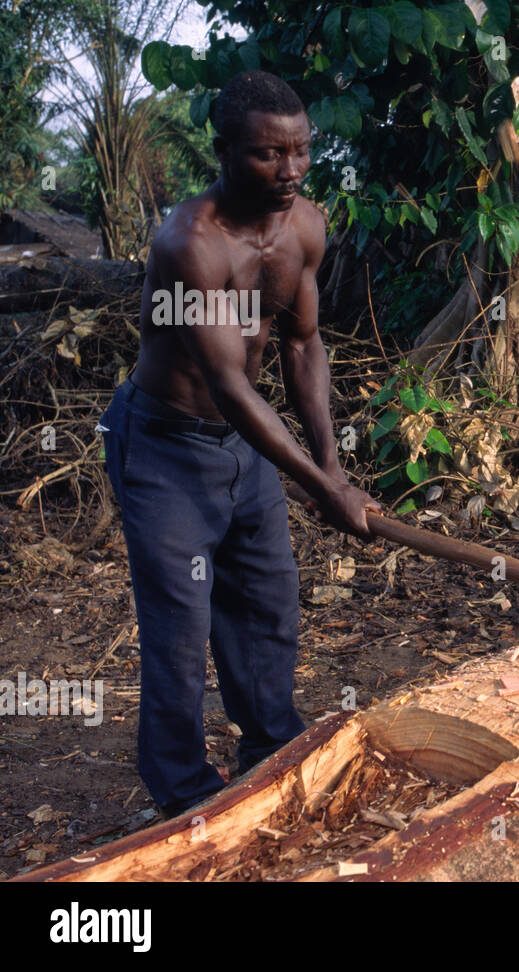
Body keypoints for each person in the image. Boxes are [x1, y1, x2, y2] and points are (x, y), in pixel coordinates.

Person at [96, 70, 380, 819]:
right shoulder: (189, 244)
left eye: (300, 152)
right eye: (266, 155)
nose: (289, 171)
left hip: (248, 448)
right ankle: (184, 795)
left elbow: (303, 346)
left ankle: (270, 753)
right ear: (223, 152)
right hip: (165, 449)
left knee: (267, 606)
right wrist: (322, 489)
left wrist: (331, 465)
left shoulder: (306, 226)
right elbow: (229, 384)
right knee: (182, 633)